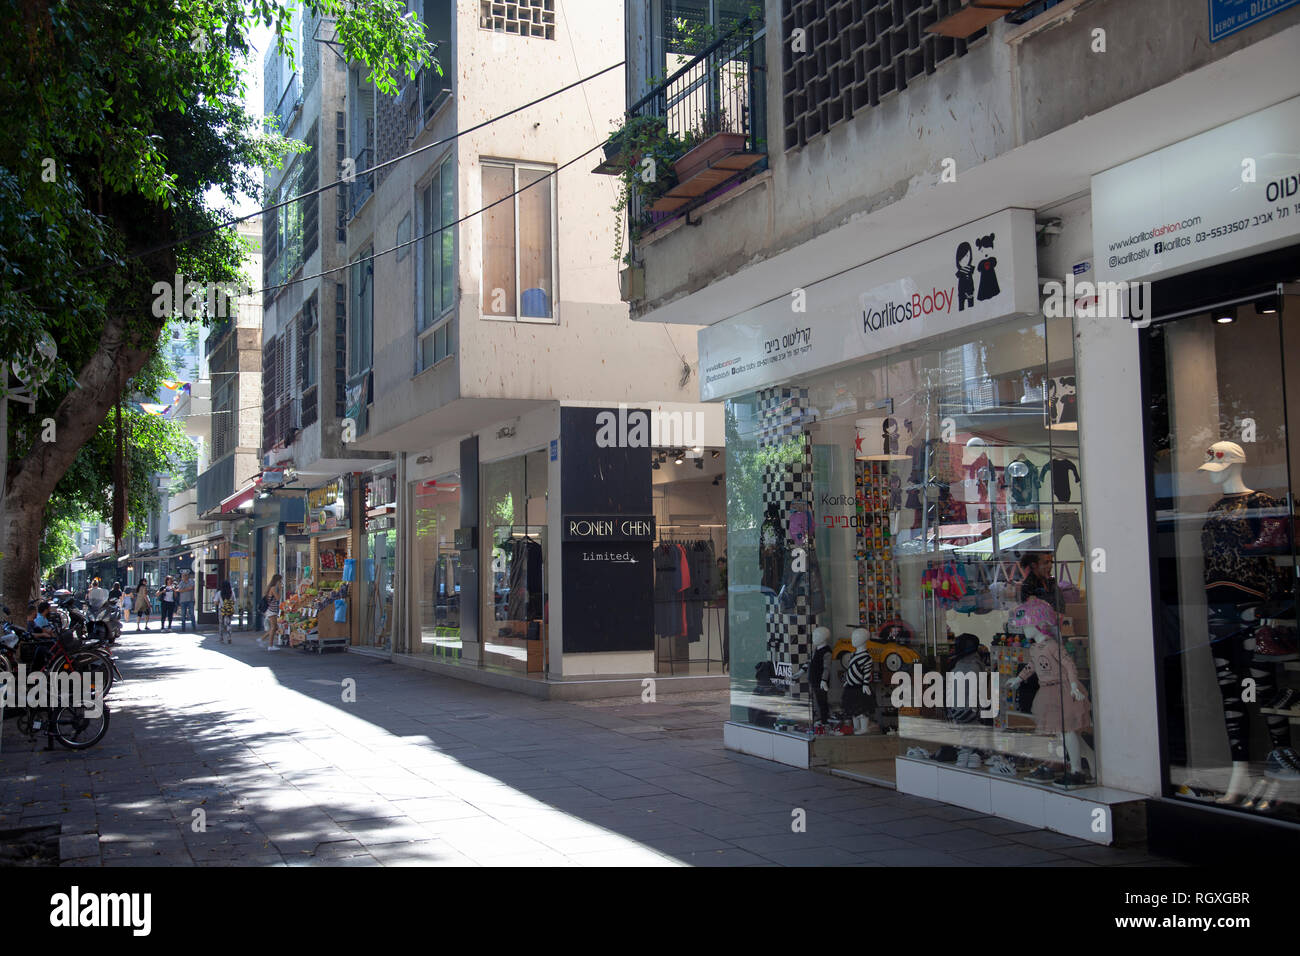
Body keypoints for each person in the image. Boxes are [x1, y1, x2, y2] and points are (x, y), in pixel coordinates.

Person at [261, 573, 282, 651]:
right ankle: (270, 645)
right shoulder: (273, 588)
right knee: (273, 627)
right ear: (277, 581)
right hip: (271, 610)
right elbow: (278, 598)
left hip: (271, 610)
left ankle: (263, 639)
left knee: (275, 627)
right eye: (280, 581)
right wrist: (280, 590)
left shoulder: (270, 587)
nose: (280, 583)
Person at [216, 579, 235, 645]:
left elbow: (216, 602)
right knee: (228, 623)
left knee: (221, 624)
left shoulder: (219, 593)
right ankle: (229, 637)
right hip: (229, 609)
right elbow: (234, 601)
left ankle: (221, 638)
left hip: (221, 609)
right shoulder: (232, 592)